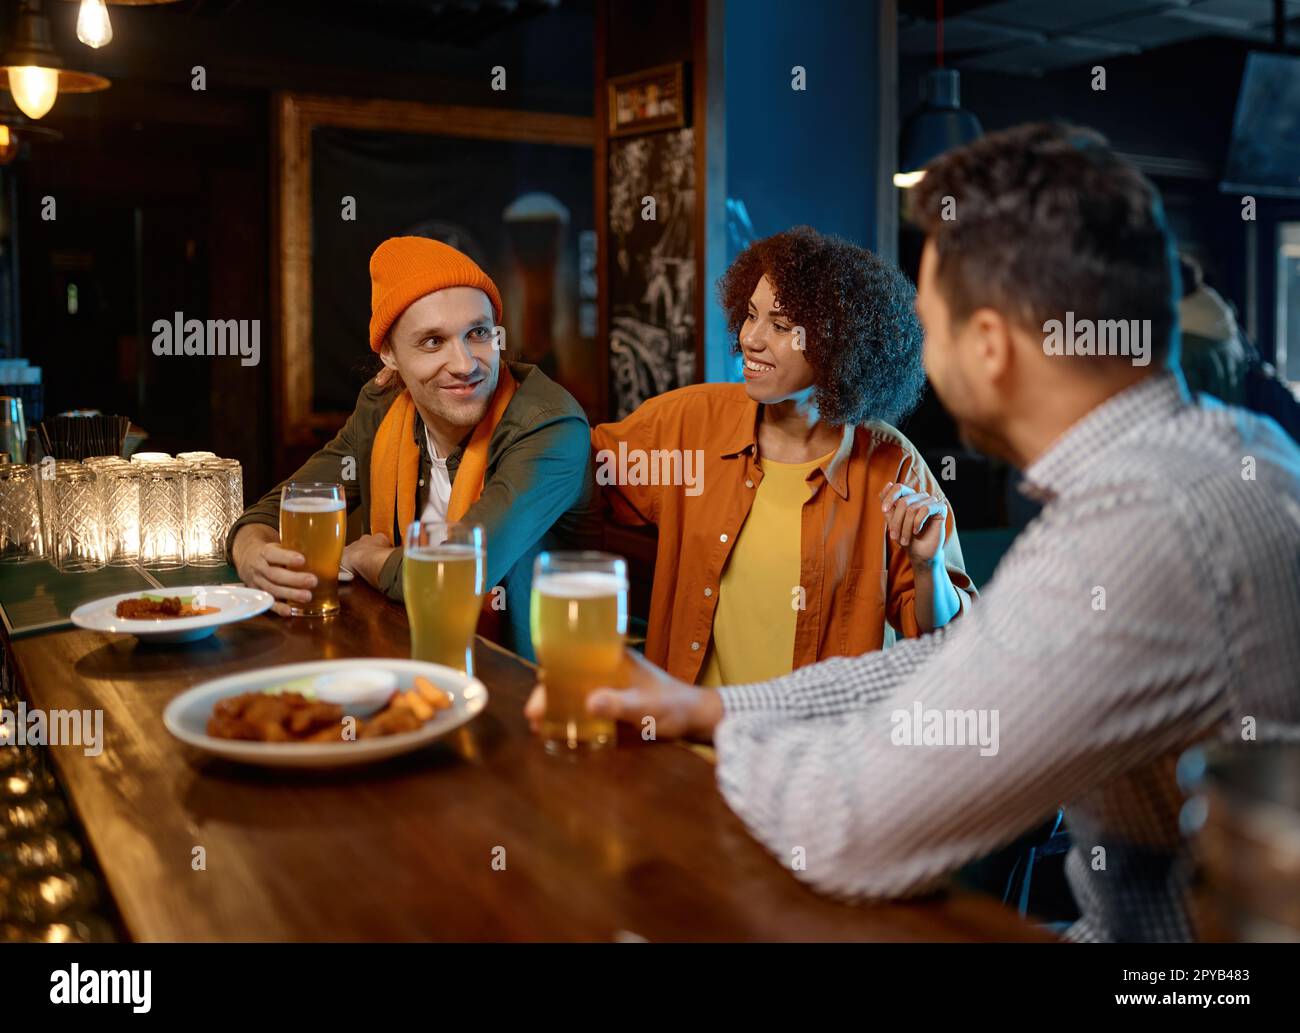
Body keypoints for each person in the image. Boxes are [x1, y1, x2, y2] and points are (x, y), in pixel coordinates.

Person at [528, 124, 1300, 942]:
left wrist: (705, 742)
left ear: (991, 348)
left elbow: (844, 827)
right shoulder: (1237, 453)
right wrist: (704, 707)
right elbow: (954, 659)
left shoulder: (1138, 530)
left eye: (931, 328)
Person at [590, 226, 975, 686]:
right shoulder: (688, 425)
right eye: (751, 315)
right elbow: (563, 467)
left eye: (781, 326)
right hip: (685, 748)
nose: (750, 339)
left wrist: (928, 567)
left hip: (812, 755)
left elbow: (947, 642)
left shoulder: (893, 467)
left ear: (838, 345)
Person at [229, 236, 596, 658]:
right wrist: (250, 549)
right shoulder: (384, 409)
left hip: (534, 682)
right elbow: (276, 508)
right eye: (433, 342)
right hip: (409, 656)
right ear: (389, 354)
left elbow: (454, 577)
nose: (464, 364)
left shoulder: (549, 425)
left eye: (478, 333)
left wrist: (371, 559)